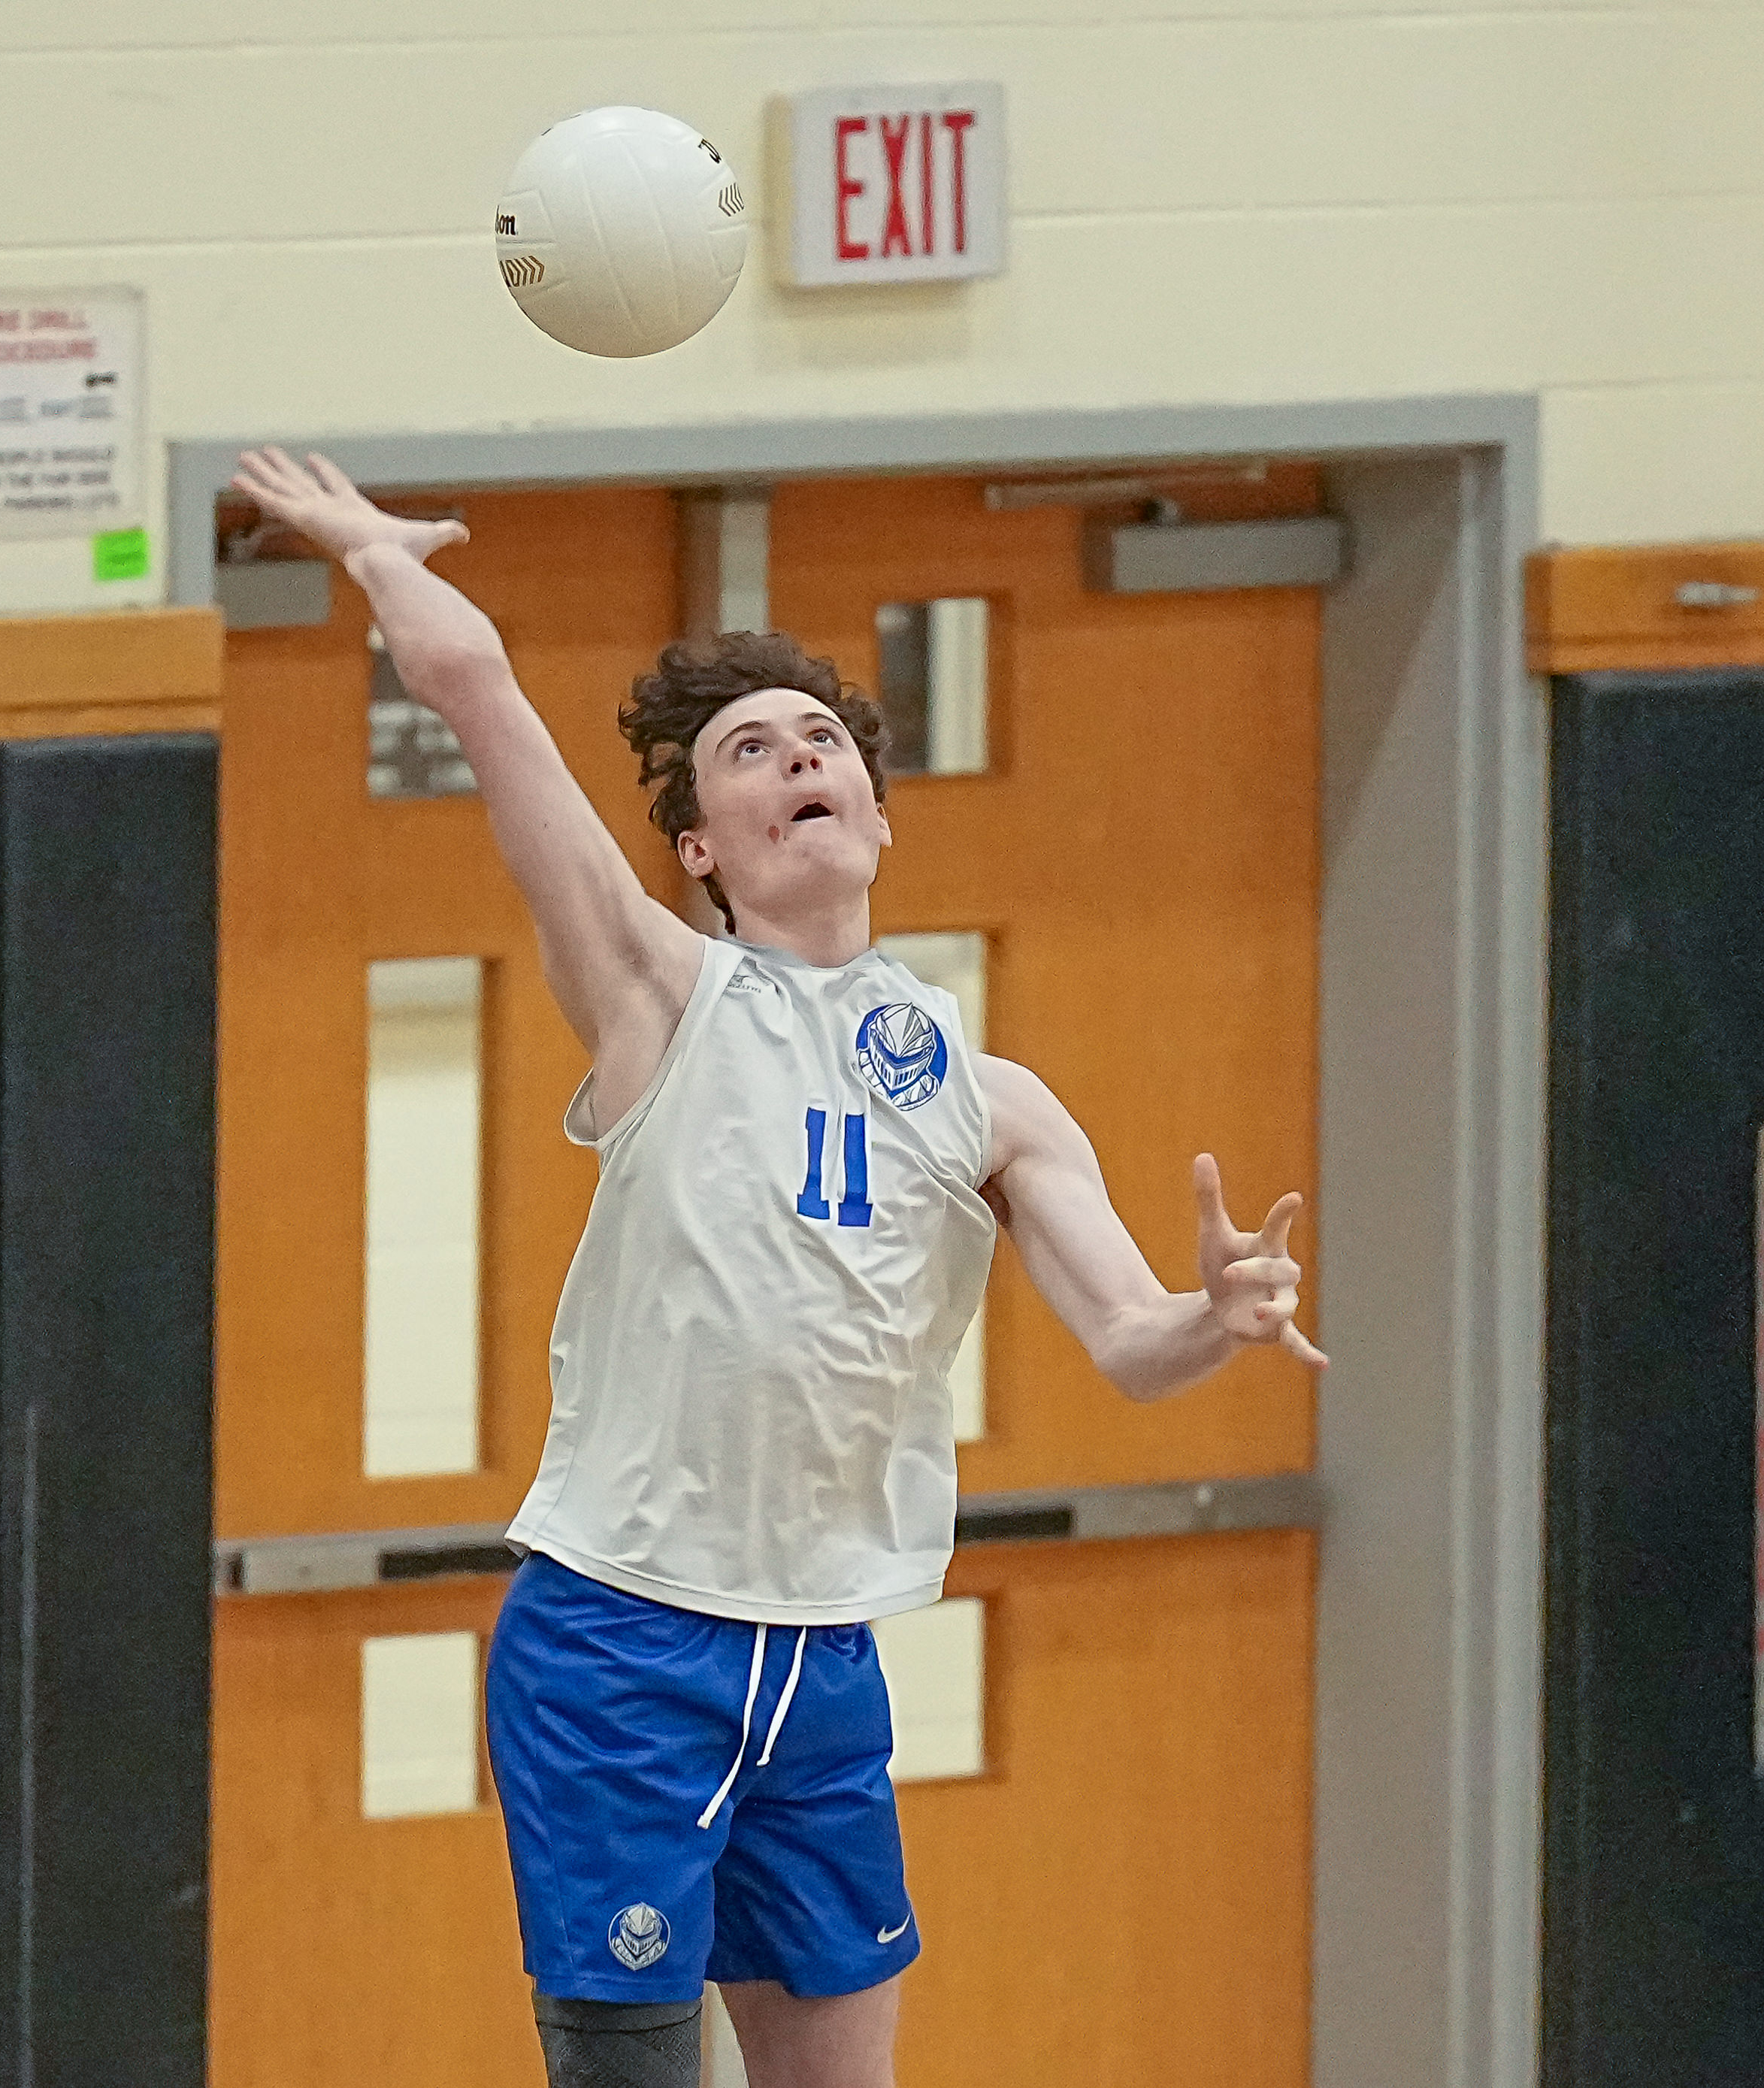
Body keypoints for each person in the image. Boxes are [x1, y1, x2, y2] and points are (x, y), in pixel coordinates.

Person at [228, 448, 1324, 2088]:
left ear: (877, 811)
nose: (798, 755)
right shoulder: (662, 996)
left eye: (822, 741)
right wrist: (380, 558)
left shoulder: (990, 1094)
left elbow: (1126, 1343)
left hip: (821, 1648)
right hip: (620, 1633)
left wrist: (1216, 1318)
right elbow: (480, 698)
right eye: (750, 751)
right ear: (698, 849)